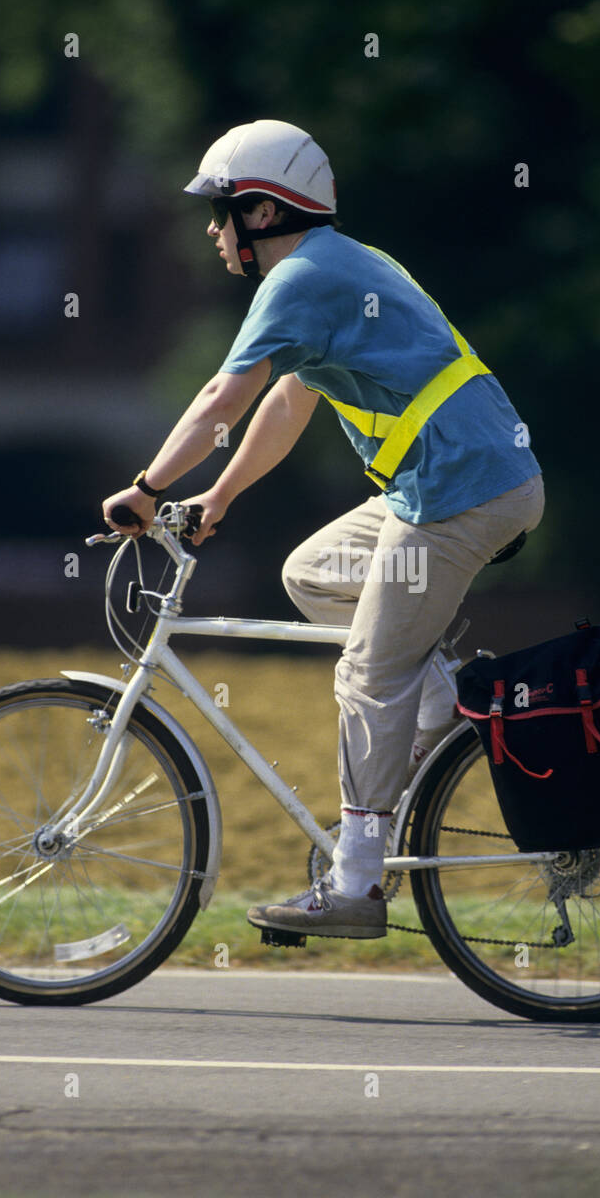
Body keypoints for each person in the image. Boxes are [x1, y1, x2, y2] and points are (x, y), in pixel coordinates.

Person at [102, 118, 545, 942]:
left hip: (460, 491)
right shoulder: (345, 265)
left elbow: (220, 400)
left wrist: (146, 487)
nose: (210, 230)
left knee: (368, 677)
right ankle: (441, 702)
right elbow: (286, 401)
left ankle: (355, 885)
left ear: (263, 214)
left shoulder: (300, 278)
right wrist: (222, 496)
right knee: (311, 571)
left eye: (220, 210)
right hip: (450, 483)